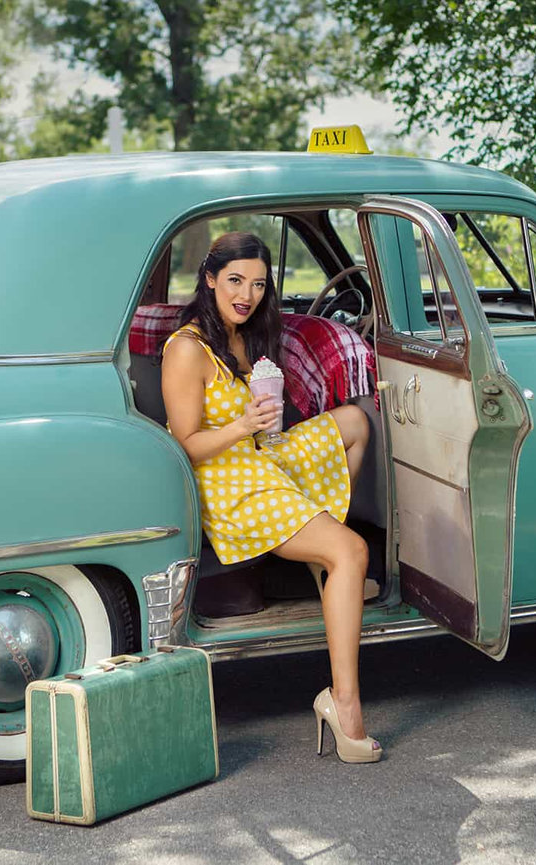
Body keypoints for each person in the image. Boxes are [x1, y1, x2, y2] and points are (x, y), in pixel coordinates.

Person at [161, 231, 381, 764]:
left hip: (260, 456)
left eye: (258, 284)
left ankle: (320, 565)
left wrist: (265, 427)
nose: (247, 294)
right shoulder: (187, 350)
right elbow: (184, 447)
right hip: (229, 483)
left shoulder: (243, 338)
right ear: (209, 278)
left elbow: (259, 424)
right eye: (235, 280)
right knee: (352, 550)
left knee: (354, 422)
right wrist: (243, 425)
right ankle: (343, 703)